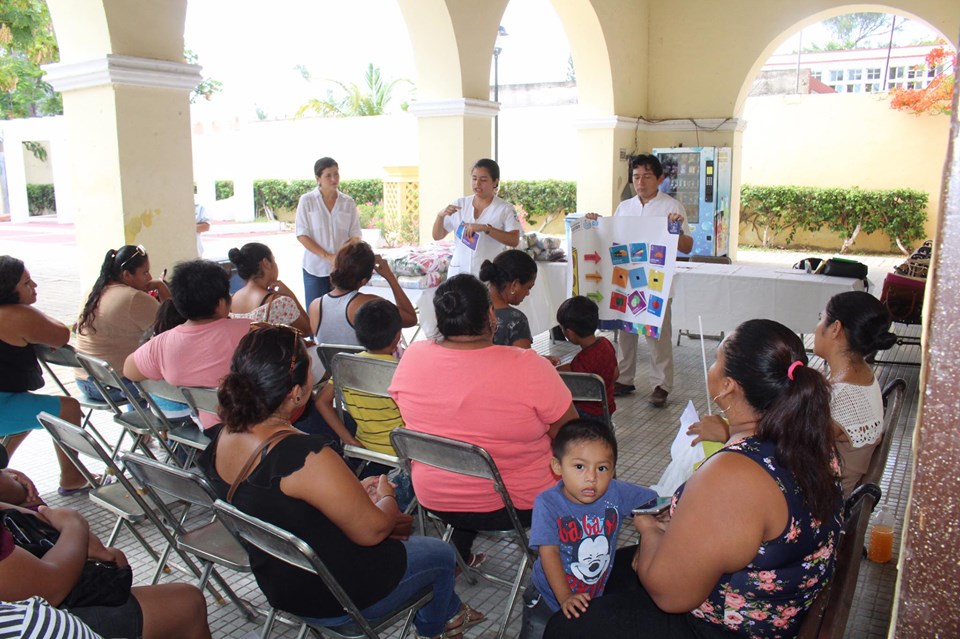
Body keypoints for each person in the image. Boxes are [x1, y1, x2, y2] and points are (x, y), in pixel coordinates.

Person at [545, 319, 843, 638]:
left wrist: (648, 530)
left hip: (726, 628)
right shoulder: (812, 439)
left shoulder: (733, 473)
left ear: (728, 386)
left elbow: (671, 596)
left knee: (565, 627)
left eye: (716, 360)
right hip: (783, 603)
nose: (711, 367)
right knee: (607, 571)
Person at [197, 325, 483, 639]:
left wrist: (353, 492)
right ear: (296, 393)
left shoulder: (221, 439)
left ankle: (452, 615)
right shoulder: (305, 455)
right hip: (339, 598)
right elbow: (374, 531)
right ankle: (436, 628)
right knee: (440, 555)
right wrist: (386, 496)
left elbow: (284, 504)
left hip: (282, 585)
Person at [389, 274, 578, 566]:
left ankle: (457, 558)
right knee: (587, 460)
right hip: (516, 504)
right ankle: (571, 564)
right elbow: (571, 434)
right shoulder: (528, 365)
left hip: (436, 498)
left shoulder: (412, 357)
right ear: (491, 314)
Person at [520, 420, 657, 639]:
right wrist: (565, 597)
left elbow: (656, 503)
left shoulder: (616, 493)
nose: (591, 478)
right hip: (548, 598)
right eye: (579, 467)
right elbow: (549, 553)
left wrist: (645, 543)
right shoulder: (548, 504)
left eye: (602, 468)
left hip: (591, 594)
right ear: (557, 466)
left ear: (612, 470)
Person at [0, 502, 212, 639]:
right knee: (188, 601)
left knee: (114, 560)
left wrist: (39, 515)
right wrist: (74, 526)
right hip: (39, 611)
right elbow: (49, 589)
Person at [587, 154, 693, 408]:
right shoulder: (625, 207)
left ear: (660, 178)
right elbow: (612, 238)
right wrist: (596, 224)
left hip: (657, 282)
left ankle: (661, 385)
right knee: (626, 331)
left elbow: (687, 246)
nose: (641, 182)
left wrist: (675, 230)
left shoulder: (671, 207)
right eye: (636, 177)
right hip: (627, 278)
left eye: (647, 176)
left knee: (658, 334)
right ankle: (625, 378)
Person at [0, 256, 90, 496]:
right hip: (2, 402)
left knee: (32, 410)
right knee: (68, 408)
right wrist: (27, 311)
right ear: (8, 291)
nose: (35, 286)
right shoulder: (15, 315)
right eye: (26, 283)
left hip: (7, 397)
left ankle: (2, 462)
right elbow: (61, 335)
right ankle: (72, 478)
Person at [124, 260, 251, 429]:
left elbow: (129, 370)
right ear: (221, 304)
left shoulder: (161, 344)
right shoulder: (250, 332)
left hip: (210, 430)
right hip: (253, 425)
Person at [814, 291, 896, 494]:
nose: (816, 326)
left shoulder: (843, 398)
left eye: (821, 318)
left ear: (835, 328)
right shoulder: (862, 373)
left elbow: (795, 447)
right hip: (833, 486)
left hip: (823, 501)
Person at [75, 244, 171, 404]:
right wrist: (161, 287)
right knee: (175, 380)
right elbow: (175, 328)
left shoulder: (92, 291)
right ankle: (149, 418)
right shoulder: (134, 298)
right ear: (126, 275)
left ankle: (140, 418)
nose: (149, 278)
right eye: (145, 272)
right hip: (115, 386)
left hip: (85, 381)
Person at [308, 241, 416, 346]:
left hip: (329, 359)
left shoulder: (315, 306)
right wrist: (390, 277)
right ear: (364, 281)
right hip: (363, 359)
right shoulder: (369, 304)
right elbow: (411, 319)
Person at [432, 158, 522, 278]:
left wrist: (486, 229)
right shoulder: (460, 204)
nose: (477, 184)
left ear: (495, 182)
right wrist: (440, 216)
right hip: (458, 273)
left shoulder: (505, 208)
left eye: (483, 180)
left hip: (487, 275)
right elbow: (437, 236)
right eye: (474, 179)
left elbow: (514, 240)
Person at [296, 157, 362, 308]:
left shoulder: (347, 202)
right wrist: (328, 257)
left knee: (342, 311)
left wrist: (339, 257)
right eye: (328, 175)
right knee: (316, 311)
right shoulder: (307, 201)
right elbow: (302, 234)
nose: (334, 179)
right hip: (315, 269)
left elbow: (355, 235)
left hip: (342, 268)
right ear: (318, 178)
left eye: (336, 174)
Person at [554, 296, 617, 421]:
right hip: (607, 408)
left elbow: (573, 389)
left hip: (588, 414)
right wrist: (556, 369)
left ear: (570, 333)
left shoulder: (583, 359)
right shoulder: (605, 343)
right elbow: (616, 374)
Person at [227, 242, 311, 335]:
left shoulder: (230, 300)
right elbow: (308, 330)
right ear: (266, 263)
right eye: (274, 260)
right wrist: (291, 296)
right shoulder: (280, 303)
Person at [478, 249, 537, 348]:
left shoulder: (468, 309)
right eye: (528, 287)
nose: (528, 293)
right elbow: (523, 357)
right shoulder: (516, 320)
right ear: (515, 285)